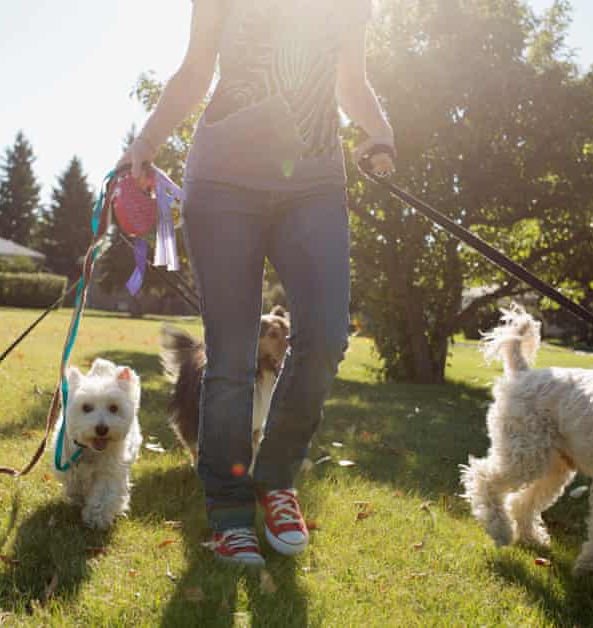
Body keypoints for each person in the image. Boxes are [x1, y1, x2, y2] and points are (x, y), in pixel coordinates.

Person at [119, 0, 395, 566]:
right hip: (222, 180)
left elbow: (351, 80)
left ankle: (274, 480)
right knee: (232, 352)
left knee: (323, 334)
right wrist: (147, 142)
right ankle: (227, 510)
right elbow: (197, 69)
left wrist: (382, 133)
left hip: (314, 181)